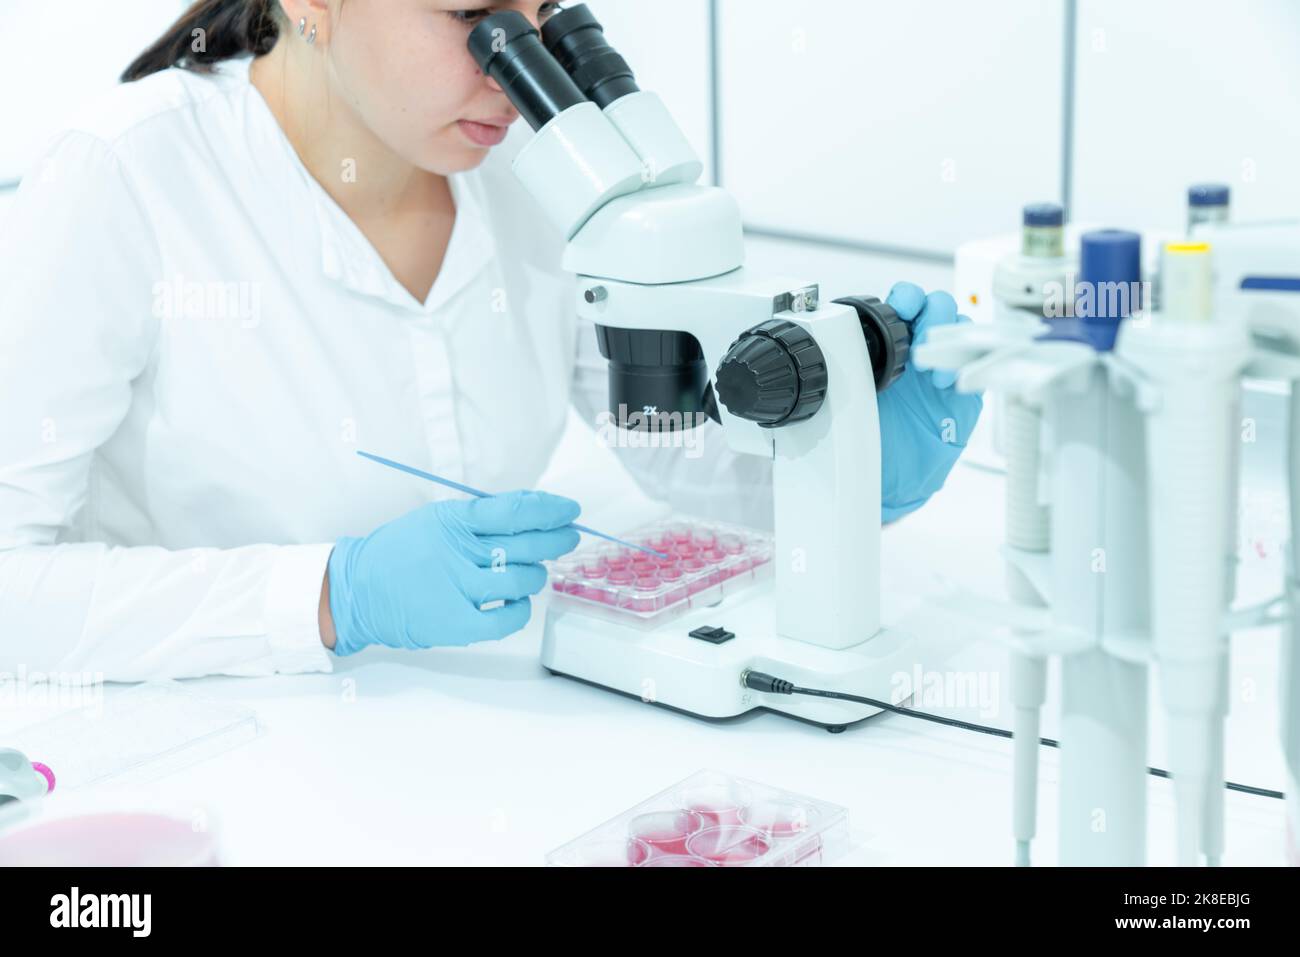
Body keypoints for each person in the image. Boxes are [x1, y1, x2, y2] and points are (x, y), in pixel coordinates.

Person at [0, 0, 980, 680]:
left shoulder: (526, 177)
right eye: (474, 19)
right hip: (207, 756)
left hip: (477, 738)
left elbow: (663, 435)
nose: (517, 69)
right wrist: (331, 597)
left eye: (541, 16)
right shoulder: (125, 178)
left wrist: (838, 461)